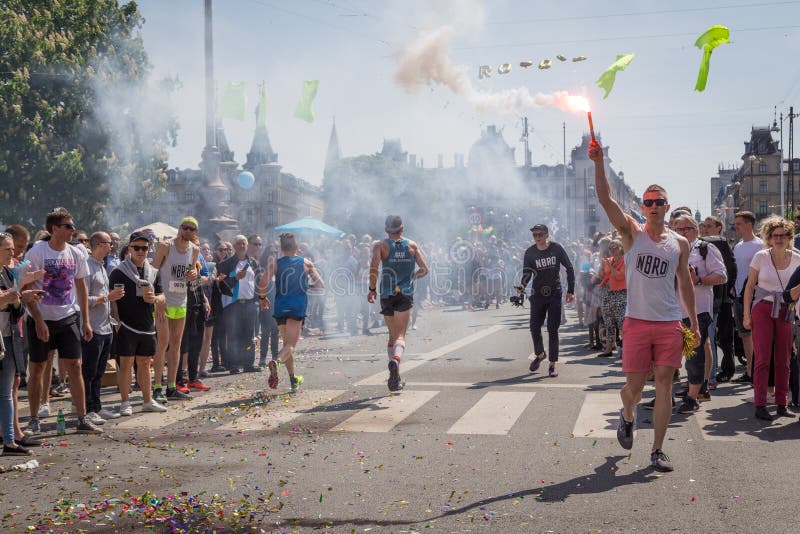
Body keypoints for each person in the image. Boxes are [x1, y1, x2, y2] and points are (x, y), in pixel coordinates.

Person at [590, 142, 699, 472]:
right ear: (643, 206)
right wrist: (599, 162)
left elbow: (685, 282)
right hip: (636, 321)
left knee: (664, 383)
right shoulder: (631, 233)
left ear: (667, 207)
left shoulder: (679, 242)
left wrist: (692, 321)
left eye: (658, 202)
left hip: (668, 322)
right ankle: (627, 416)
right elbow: (606, 200)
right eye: (648, 202)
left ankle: (657, 450)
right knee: (633, 389)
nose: (653, 206)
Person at [22, 207, 103, 434]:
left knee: (75, 365)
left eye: (72, 225)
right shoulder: (37, 252)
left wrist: (86, 321)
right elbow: (26, 288)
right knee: (37, 367)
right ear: (55, 229)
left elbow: (81, 286)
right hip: (41, 317)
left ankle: (82, 418)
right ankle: (34, 418)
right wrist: (38, 319)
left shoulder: (76, 252)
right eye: (68, 226)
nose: (73, 230)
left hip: (68, 317)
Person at [742, 216, 800, 421]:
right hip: (763, 308)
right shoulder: (760, 256)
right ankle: (760, 403)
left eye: (783, 235)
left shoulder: (797, 258)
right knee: (763, 359)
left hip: (786, 309)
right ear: (768, 237)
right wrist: (746, 314)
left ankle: (782, 403)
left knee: (784, 359)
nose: (778, 239)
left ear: (789, 237)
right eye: (775, 235)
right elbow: (750, 286)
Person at [672, 216, 727, 413]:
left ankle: (692, 397)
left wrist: (700, 280)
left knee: (694, 356)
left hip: (698, 310)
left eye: (687, 228)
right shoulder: (671, 250)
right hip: (671, 311)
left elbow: (722, 276)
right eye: (679, 229)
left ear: (696, 230)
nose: (683, 232)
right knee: (668, 356)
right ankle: (667, 396)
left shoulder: (705, 249)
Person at [367, 216, 429, 392]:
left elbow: (373, 269)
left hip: (387, 294)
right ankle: (395, 362)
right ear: (402, 229)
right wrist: (412, 277)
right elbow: (425, 269)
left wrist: (372, 289)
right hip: (405, 293)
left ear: (387, 230)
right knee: (401, 336)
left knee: (392, 335)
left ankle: (395, 377)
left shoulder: (380, 246)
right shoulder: (412, 246)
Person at [109, 232, 168, 415]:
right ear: (129, 249)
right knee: (126, 363)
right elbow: (112, 299)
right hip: (126, 324)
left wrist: (156, 299)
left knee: (144, 363)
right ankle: (125, 402)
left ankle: (147, 400)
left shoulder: (153, 271)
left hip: (147, 324)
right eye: (137, 248)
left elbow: (163, 295)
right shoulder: (119, 271)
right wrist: (116, 321)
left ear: (148, 249)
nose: (140, 251)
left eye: (144, 248)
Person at [259, 232, 325, 392]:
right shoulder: (306, 263)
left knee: (287, 344)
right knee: (290, 346)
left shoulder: (276, 263)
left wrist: (262, 298)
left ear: (281, 248)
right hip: (297, 307)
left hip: (281, 307)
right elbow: (320, 284)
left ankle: (293, 378)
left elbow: (262, 283)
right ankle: (276, 362)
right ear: (297, 247)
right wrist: (306, 286)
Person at [0, 232, 43, 455]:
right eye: (7, 249)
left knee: (7, 391)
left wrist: (20, 297)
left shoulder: (8, 272)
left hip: (8, 337)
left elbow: (15, 308)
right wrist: (14, 295)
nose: (13, 252)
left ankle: (9, 441)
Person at [150, 217, 200, 402]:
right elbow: (152, 271)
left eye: (192, 229)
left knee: (176, 344)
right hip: (164, 300)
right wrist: (158, 295)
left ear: (195, 232)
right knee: (162, 342)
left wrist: (194, 274)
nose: (187, 231)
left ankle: (171, 387)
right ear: (180, 228)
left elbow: (192, 273)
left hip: (181, 301)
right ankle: (157, 387)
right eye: (185, 227)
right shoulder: (166, 246)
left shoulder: (195, 250)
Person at [517, 224, 575, 378]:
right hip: (537, 295)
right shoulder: (530, 253)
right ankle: (540, 354)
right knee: (534, 327)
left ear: (547, 235)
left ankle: (552, 364)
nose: (537, 237)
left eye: (540, 234)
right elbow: (527, 273)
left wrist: (571, 290)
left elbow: (569, 268)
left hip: (554, 294)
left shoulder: (556, 248)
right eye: (534, 235)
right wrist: (522, 285)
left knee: (552, 329)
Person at [81, 232, 125, 424]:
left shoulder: (101, 266)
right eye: (109, 243)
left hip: (105, 326)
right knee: (89, 371)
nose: (112, 246)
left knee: (99, 371)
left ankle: (97, 406)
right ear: (99, 245)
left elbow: (104, 295)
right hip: (93, 327)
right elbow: (83, 299)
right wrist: (107, 297)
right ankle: (87, 409)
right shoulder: (87, 267)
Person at [217, 235, 262, 374]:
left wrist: (261, 298)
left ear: (247, 246)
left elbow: (259, 283)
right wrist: (235, 278)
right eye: (239, 244)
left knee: (249, 335)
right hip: (233, 304)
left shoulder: (253, 263)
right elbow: (221, 286)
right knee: (233, 336)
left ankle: (248, 364)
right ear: (235, 246)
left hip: (250, 304)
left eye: (244, 244)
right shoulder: (227, 264)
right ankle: (233, 365)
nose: (242, 246)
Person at [732, 211, 763, 384]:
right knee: (744, 334)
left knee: (756, 335)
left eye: (739, 223)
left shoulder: (760, 245)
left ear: (749, 224)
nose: (735, 226)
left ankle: (758, 371)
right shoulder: (738, 246)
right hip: (738, 295)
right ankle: (750, 370)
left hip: (754, 295)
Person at [598, 240, 626, 357]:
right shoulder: (608, 261)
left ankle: (625, 351)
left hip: (620, 294)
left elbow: (619, 276)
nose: (612, 250)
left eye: (615, 247)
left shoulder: (625, 261)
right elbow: (602, 275)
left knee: (622, 323)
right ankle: (608, 348)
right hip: (608, 293)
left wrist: (609, 266)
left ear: (621, 247)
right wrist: (601, 266)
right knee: (608, 322)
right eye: (610, 248)